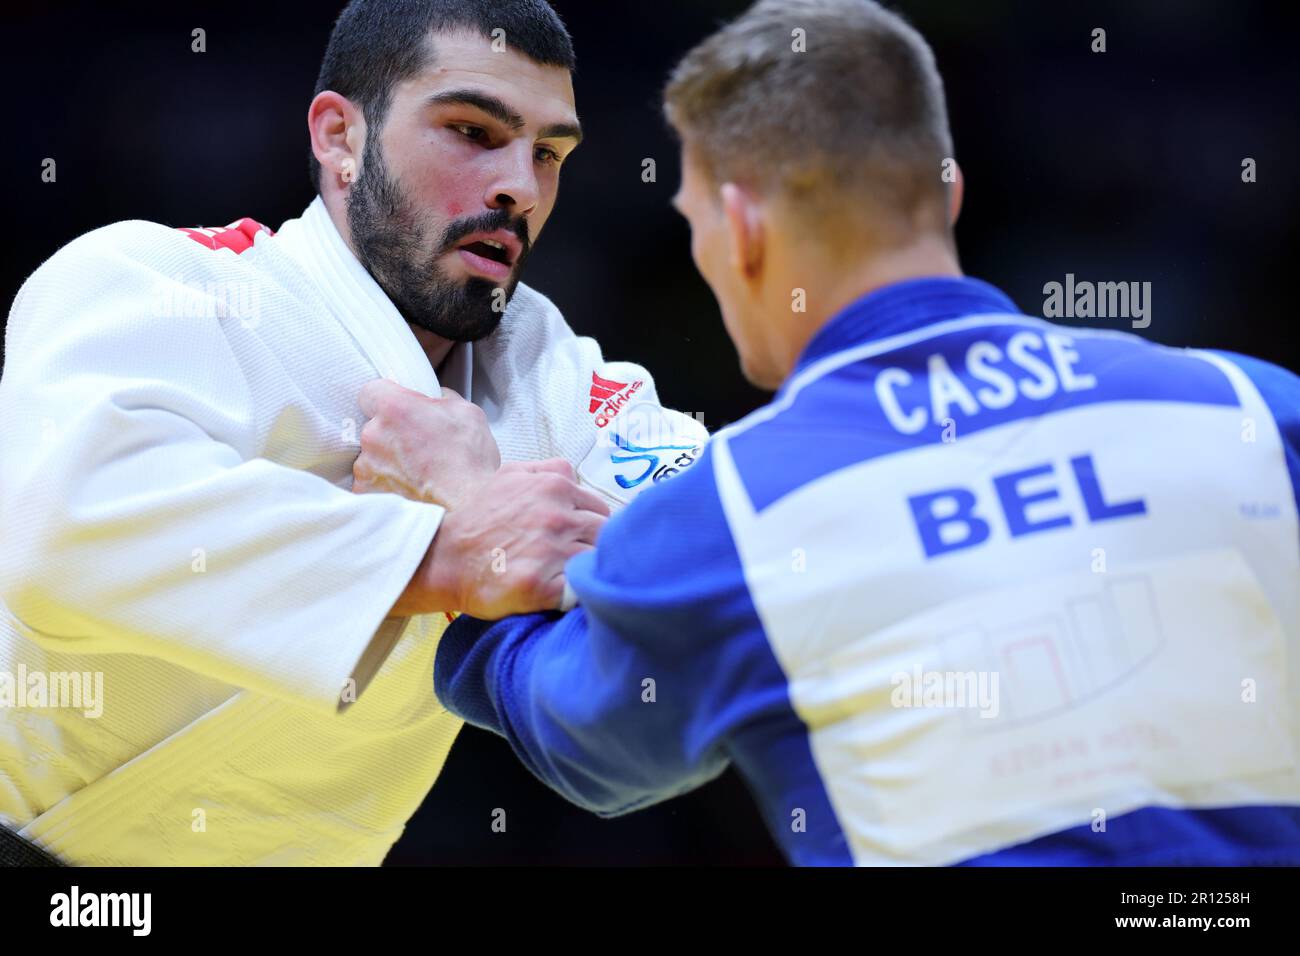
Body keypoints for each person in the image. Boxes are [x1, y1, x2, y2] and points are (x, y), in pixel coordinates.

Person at [365, 0, 1300, 865]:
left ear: (741, 230)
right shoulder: (1252, 407)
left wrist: (481, 514)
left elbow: (591, 748)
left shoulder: (737, 512)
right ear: (950, 194)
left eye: (695, 224)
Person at [0, 0, 703, 866]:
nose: (521, 184)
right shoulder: (158, 282)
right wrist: (442, 555)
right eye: (475, 130)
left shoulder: (573, 388)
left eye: (549, 153)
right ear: (340, 138)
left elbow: (713, 607)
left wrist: (475, 498)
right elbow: (61, 534)